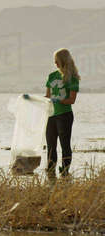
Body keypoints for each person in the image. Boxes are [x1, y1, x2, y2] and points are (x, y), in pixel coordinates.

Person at [40, 48, 80, 178]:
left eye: (57, 61)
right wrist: (32, 100)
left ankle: (65, 171)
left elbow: (71, 100)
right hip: (51, 116)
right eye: (54, 61)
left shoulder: (72, 78)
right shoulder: (52, 76)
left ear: (63, 61)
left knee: (65, 145)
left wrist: (59, 100)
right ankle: (51, 170)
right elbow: (47, 97)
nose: (55, 63)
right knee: (51, 145)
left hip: (64, 116)